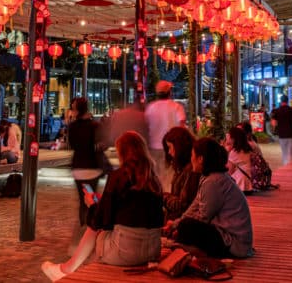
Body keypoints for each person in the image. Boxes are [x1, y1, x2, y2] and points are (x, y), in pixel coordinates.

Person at [41, 131, 164, 281]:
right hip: (153, 250)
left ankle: (67, 269)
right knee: (102, 233)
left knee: (95, 230)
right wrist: (102, 204)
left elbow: (101, 220)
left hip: (125, 252)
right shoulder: (154, 180)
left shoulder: (118, 177)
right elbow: (131, 213)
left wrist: (92, 204)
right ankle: (74, 269)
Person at [165, 137, 253, 259]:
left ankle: (188, 250)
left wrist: (179, 227)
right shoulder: (208, 177)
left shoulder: (214, 182)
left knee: (186, 226)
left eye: (192, 155)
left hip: (234, 244)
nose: (191, 159)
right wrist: (175, 224)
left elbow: (203, 217)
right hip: (228, 236)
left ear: (200, 159)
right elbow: (194, 207)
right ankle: (186, 247)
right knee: (184, 224)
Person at [68, 97, 107, 239]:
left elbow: (72, 145)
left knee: (83, 199)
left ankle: (84, 226)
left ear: (77, 110)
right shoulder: (95, 125)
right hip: (92, 168)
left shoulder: (73, 127)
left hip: (79, 168)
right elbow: (103, 144)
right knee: (92, 198)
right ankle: (92, 228)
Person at [145, 81, 186, 183]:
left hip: (153, 148)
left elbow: (146, 127)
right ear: (169, 92)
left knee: (156, 177)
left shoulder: (150, 107)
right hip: (171, 148)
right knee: (170, 177)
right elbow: (182, 127)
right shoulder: (176, 107)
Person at [162, 126, 200, 220]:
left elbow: (183, 204)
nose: (169, 152)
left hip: (181, 221)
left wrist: (163, 196)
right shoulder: (181, 168)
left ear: (179, 147)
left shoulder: (191, 170)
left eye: (170, 147)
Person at [236, 121, 275, 191]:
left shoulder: (248, 145)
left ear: (248, 134)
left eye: (240, 132)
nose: (237, 135)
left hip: (253, 177)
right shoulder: (250, 142)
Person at [269, 95, 292, 166]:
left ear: (281, 101)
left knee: (284, 153)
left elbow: (273, 123)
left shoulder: (277, 110)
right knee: (290, 153)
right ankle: (290, 166)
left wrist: (275, 125)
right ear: (287, 101)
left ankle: (286, 167)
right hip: (291, 134)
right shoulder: (291, 110)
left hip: (282, 134)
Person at [223, 126, 254, 193]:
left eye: (229, 136)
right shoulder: (246, 149)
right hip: (247, 183)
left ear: (234, 139)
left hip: (240, 185)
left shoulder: (235, 152)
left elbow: (229, 171)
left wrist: (226, 149)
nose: (228, 137)